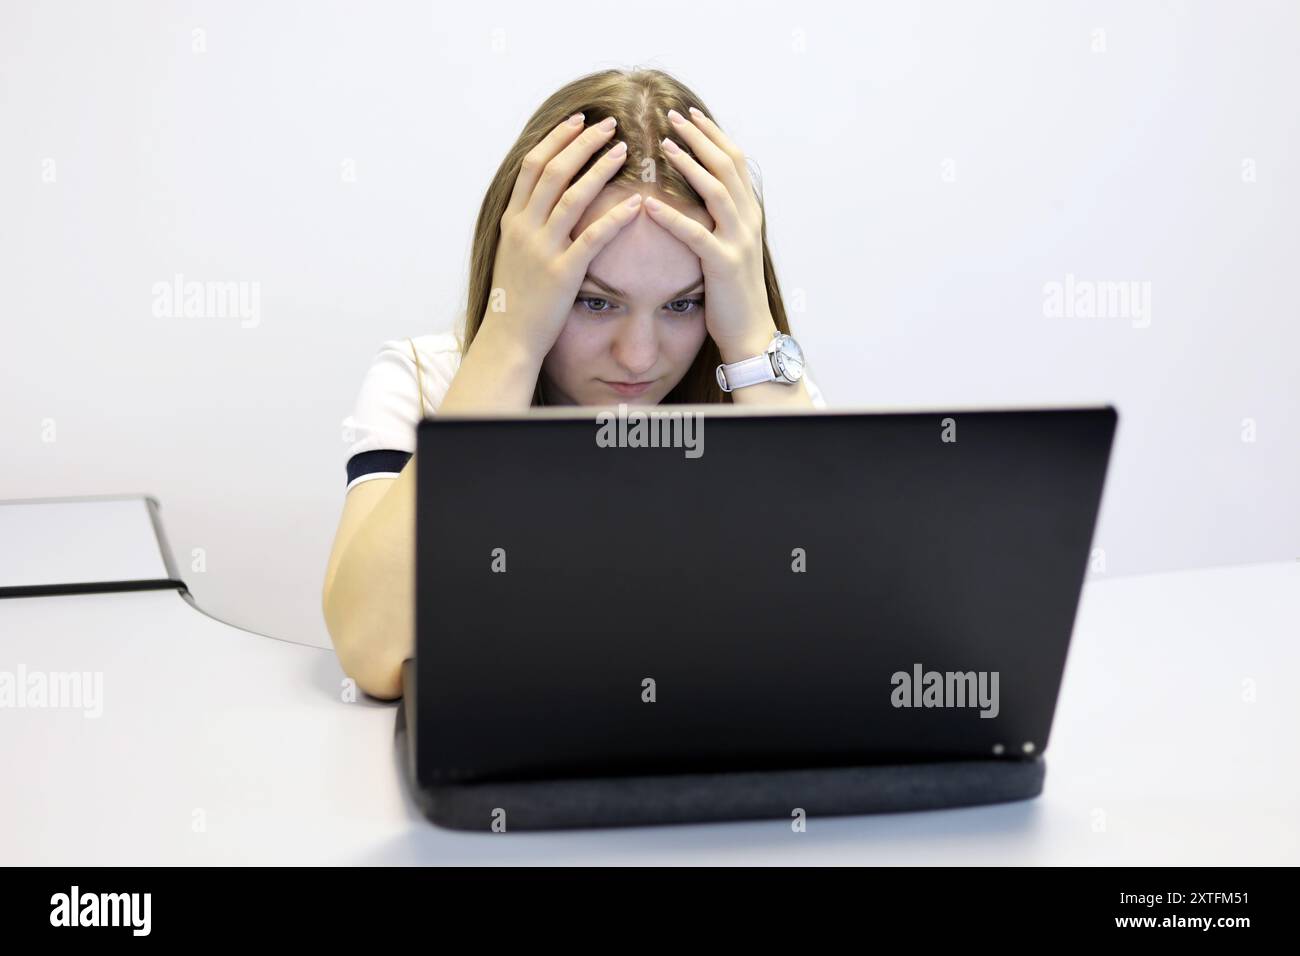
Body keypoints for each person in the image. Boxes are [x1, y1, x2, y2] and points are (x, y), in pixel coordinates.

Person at [322, 68, 827, 699]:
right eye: (594, 302)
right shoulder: (425, 381)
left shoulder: (758, 384)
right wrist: (509, 340)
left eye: (683, 305)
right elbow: (371, 652)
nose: (639, 356)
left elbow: (839, 630)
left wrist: (753, 335)